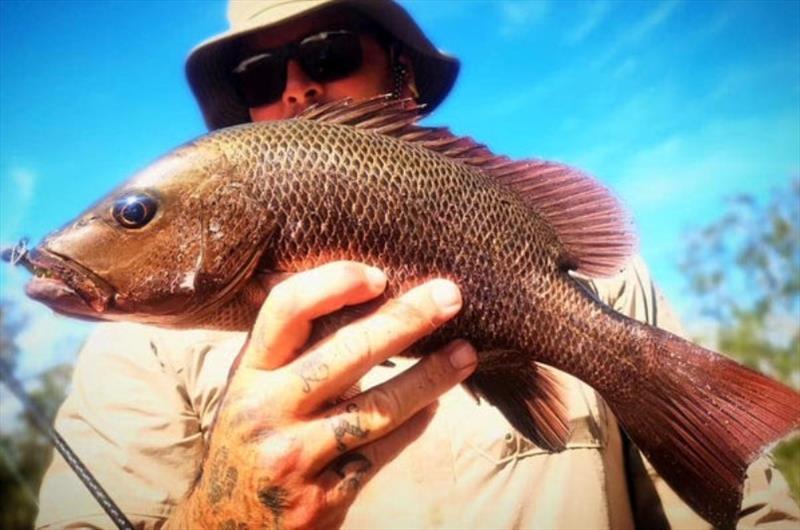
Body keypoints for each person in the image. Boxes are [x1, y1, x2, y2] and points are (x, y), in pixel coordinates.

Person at [36, 1, 799, 529]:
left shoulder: (604, 292)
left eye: (328, 55)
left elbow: (745, 513)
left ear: (401, 75)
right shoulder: (141, 351)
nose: (297, 86)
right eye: (259, 78)